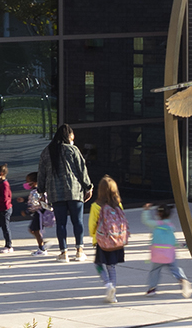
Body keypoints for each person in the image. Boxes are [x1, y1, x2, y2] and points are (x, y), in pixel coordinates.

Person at [41, 127, 91, 258]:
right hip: (74, 190)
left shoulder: (47, 151)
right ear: (68, 135)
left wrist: (41, 191)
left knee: (61, 223)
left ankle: (64, 252)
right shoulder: (72, 149)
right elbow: (82, 169)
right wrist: (88, 187)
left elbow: (42, 173)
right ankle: (79, 251)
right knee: (77, 221)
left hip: (55, 192)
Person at [91, 176, 134, 304]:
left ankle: (108, 285)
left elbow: (92, 225)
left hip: (103, 242)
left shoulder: (96, 206)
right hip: (117, 241)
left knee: (98, 264)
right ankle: (113, 294)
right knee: (111, 267)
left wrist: (95, 239)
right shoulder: (118, 205)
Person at [144, 200, 184, 296]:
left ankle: (152, 288)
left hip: (158, 252)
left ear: (158, 214)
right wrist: (178, 245)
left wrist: (146, 211)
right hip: (170, 252)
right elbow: (173, 239)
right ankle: (181, 279)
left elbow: (145, 221)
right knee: (174, 268)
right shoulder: (171, 226)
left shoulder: (155, 224)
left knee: (155, 271)